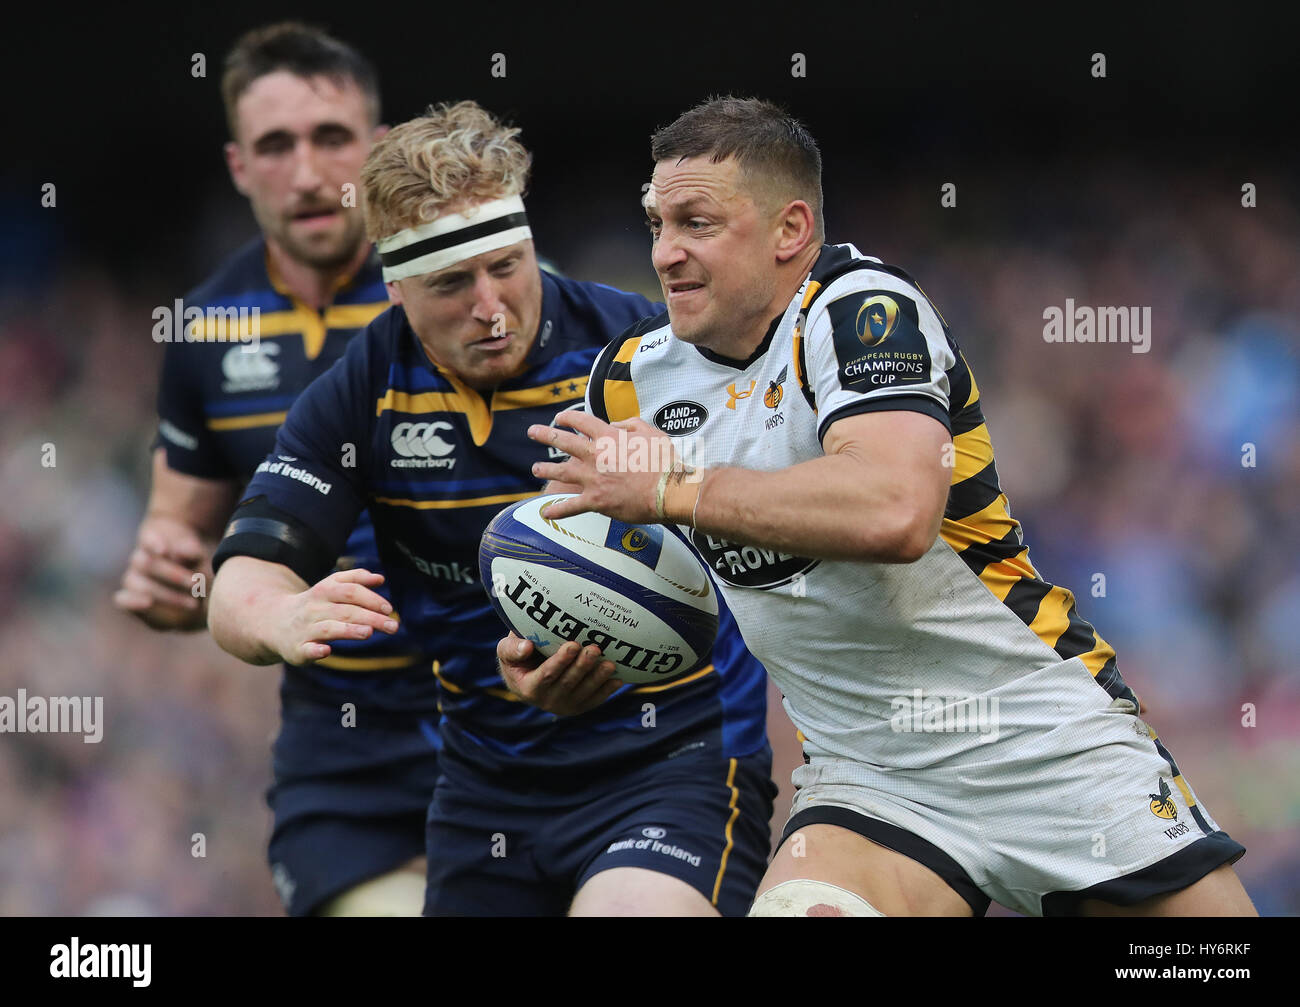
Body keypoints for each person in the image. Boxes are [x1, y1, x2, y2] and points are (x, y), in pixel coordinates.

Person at [519, 96, 1256, 917]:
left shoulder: (865, 312)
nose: (666, 253)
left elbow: (896, 512)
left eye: (697, 222)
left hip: (1041, 744)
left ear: (790, 230)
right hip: (870, 778)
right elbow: (656, 586)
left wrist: (676, 488)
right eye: (657, 223)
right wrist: (576, 655)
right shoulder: (629, 379)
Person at [206, 99, 777, 917]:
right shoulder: (363, 390)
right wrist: (279, 618)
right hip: (488, 788)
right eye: (451, 282)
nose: (491, 305)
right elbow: (241, 579)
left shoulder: (643, 355)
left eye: (507, 265)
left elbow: (765, 533)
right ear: (395, 287)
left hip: (670, 761)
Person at [112, 22, 440, 916]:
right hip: (344, 754)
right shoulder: (202, 330)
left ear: (375, 148)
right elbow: (182, 540)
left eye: (330, 139)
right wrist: (167, 577)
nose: (305, 173)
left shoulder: (468, 292)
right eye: (275, 145)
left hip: (512, 718)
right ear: (237, 166)